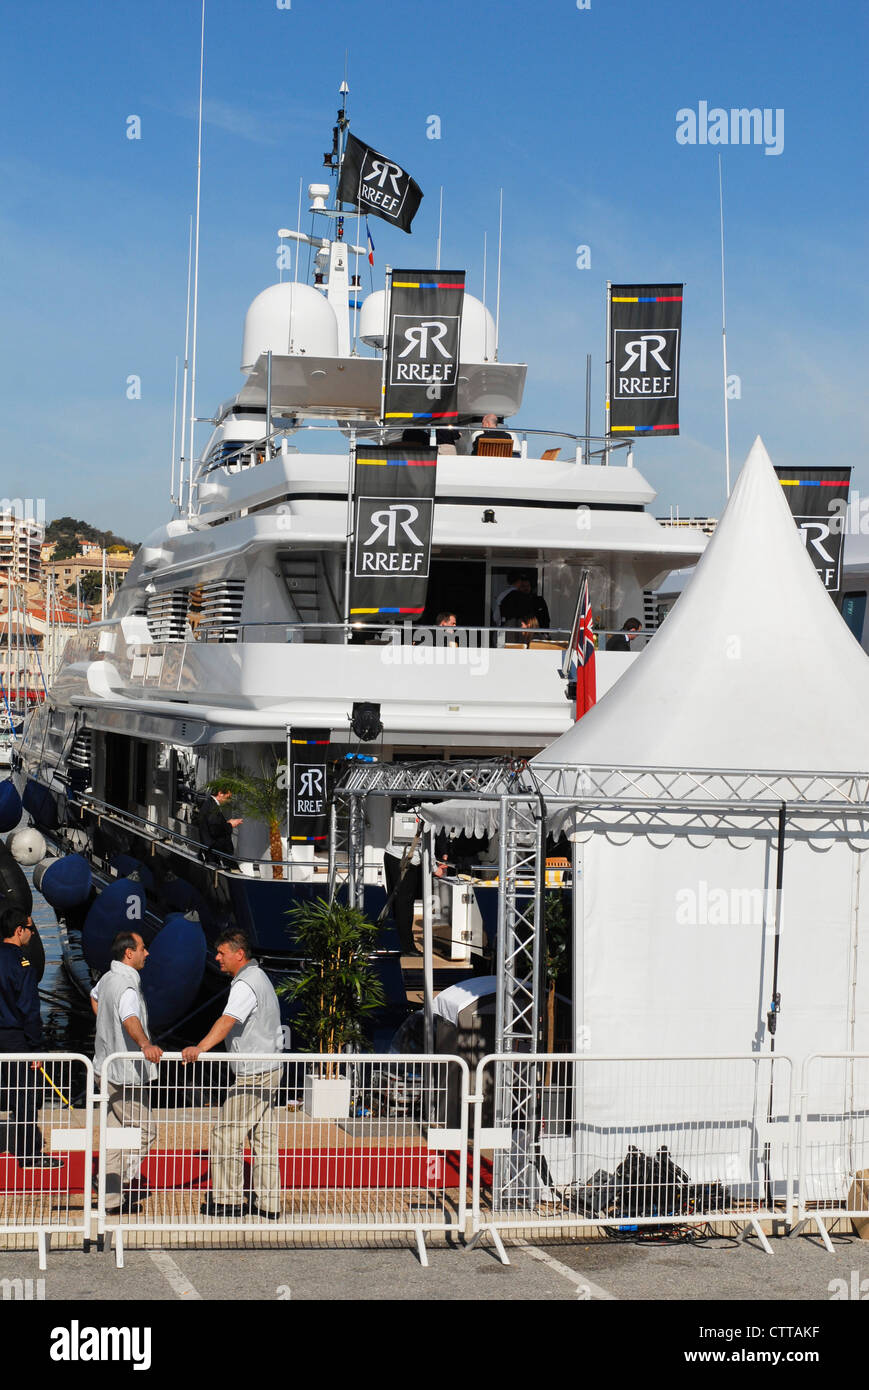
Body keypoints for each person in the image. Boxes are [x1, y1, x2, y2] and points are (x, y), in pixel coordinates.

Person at [182, 930, 284, 1220]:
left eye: (221, 953)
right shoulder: (260, 977)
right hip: (270, 1066)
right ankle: (269, 1202)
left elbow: (227, 1021)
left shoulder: (244, 985)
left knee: (226, 1134)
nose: (217, 958)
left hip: (253, 1071)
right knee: (264, 1137)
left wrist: (199, 1048)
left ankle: (228, 1200)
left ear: (239, 954)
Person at [93, 931, 162, 1212]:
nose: (147, 954)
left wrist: (105, 1028)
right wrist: (145, 1043)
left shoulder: (108, 978)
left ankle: (110, 1199)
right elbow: (130, 1018)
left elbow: (94, 996)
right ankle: (112, 1180)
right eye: (143, 949)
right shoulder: (128, 986)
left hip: (103, 1067)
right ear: (129, 953)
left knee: (115, 1136)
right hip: (124, 1075)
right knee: (146, 1132)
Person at [0, 904, 60, 1169]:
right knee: (24, 1095)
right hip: (14, 1039)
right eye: (30, 929)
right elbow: (29, 1009)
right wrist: (36, 1048)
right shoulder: (21, 963)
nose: (33, 934)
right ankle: (29, 1154)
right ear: (18, 930)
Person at [197, 784, 243, 861]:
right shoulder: (212, 807)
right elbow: (214, 830)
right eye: (228, 797)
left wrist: (226, 823)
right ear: (220, 793)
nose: (229, 800)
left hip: (212, 851)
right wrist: (230, 825)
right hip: (214, 853)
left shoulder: (210, 804)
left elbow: (213, 824)